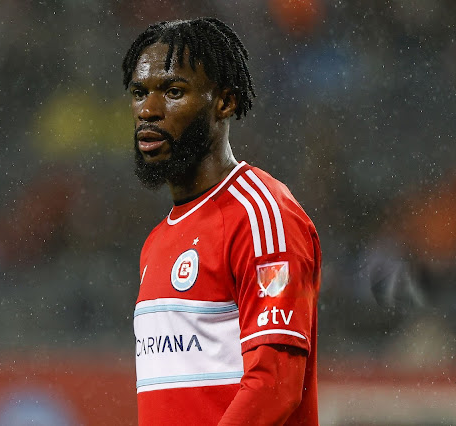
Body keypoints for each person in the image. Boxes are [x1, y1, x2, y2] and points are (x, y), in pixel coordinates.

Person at [123, 18, 321, 425]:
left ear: (225, 103)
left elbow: (276, 385)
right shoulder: (156, 241)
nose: (149, 110)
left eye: (173, 92)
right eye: (140, 93)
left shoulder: (262, 215)